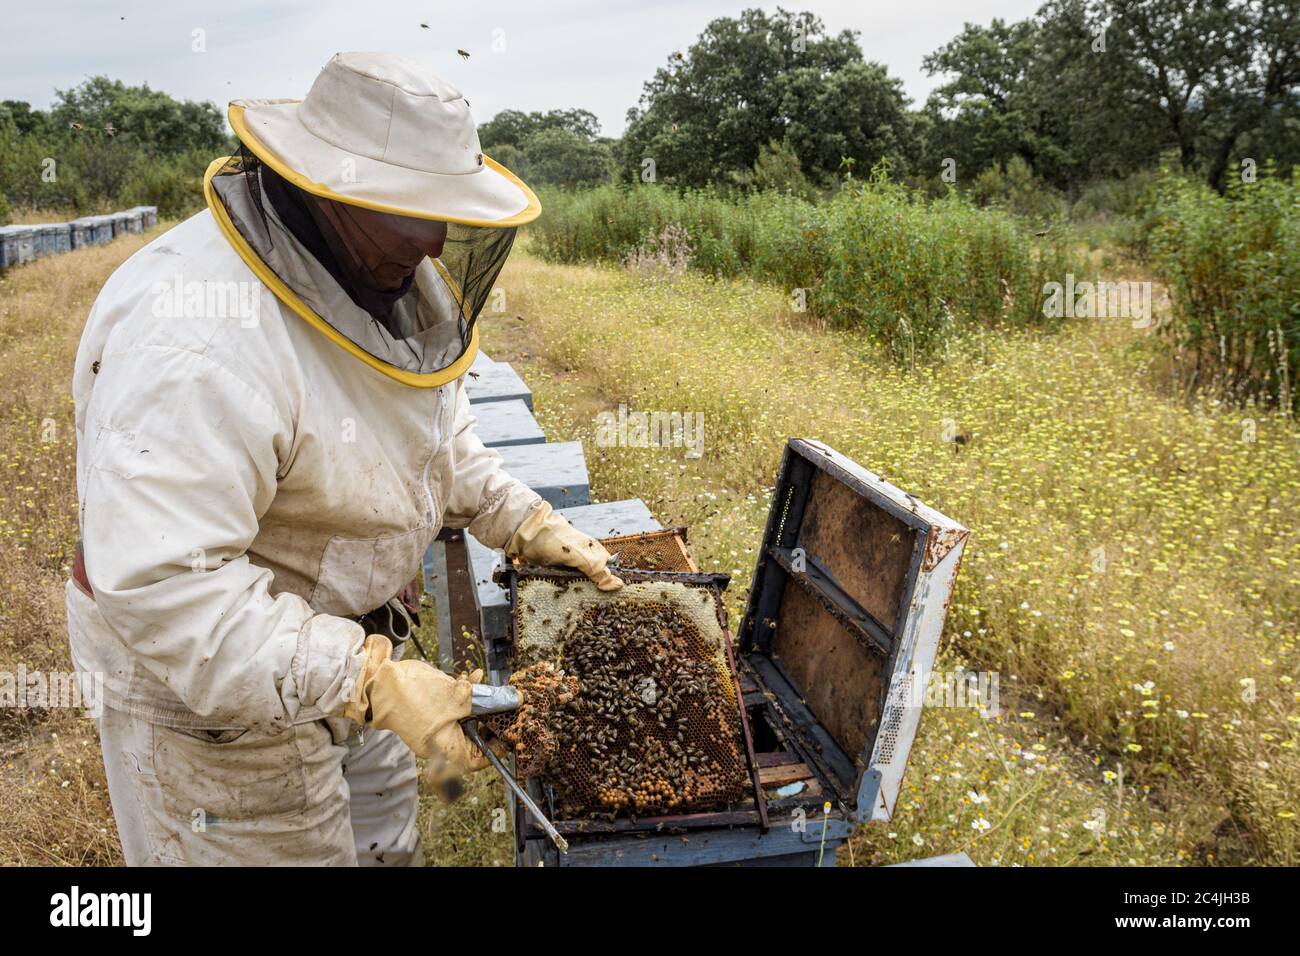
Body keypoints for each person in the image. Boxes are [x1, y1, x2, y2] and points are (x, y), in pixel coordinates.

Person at [67, 51, 621, 866]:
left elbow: (420, 435)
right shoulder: (198, 339)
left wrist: (520, 517)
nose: (434, 241)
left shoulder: (369, 274)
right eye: (413, 211)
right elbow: (166, 584)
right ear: (331, 189)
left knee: (382, 848)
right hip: (211, 700)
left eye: (447, 213)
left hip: (346, 641)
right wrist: (369, 681)